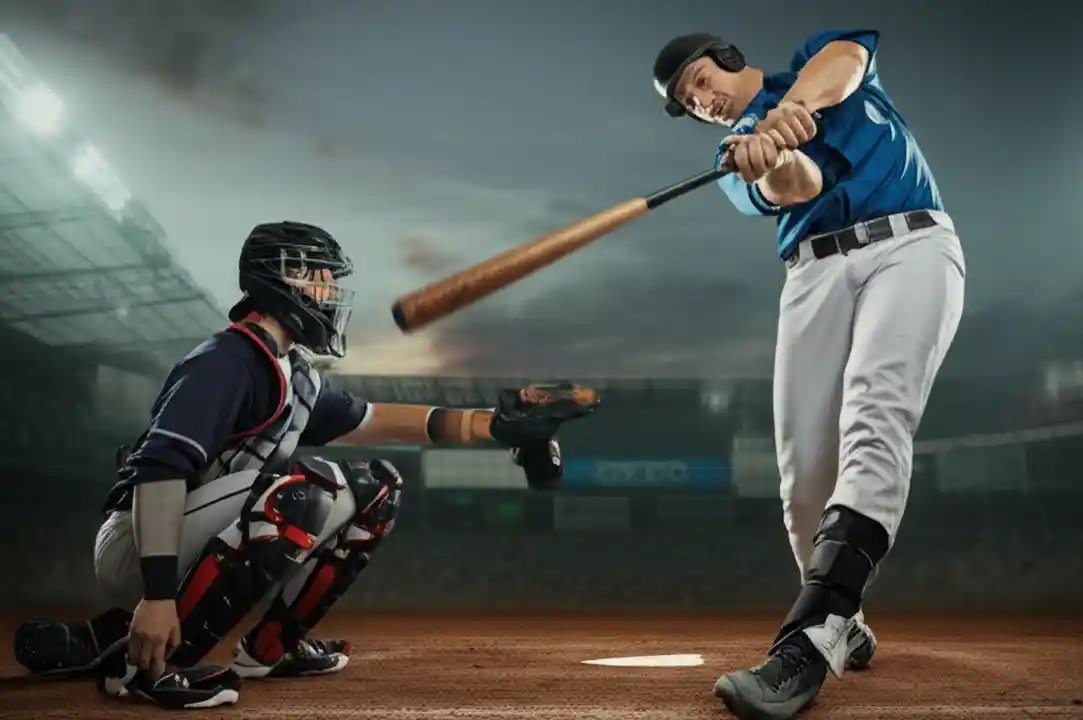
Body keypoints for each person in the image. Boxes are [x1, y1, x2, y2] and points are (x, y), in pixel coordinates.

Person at [12, 221, 597, 709]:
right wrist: (158, 595)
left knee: (377, 487)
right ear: (280, 280)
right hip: (141, 539)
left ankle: (270, 650)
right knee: (304, 490)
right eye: (319, 277)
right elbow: (160, 469)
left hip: (189, 526)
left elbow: (377, 419)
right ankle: (143, 672)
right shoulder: (228, 360)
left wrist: (493, 424)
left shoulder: (292, 371)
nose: (330, 292)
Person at [651, 28, 965, 719]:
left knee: (874, 414)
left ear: (729, 58)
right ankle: (842, 617)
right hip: (814, 274)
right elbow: (805, 184)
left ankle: (806, 643)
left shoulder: (816, 63)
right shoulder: (732, 156)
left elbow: (845, 63)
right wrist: (768, 155)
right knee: (803, 475)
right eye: (688, 100)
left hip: (908, 244)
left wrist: (786, 112)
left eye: (701, 80)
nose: (701, 100)